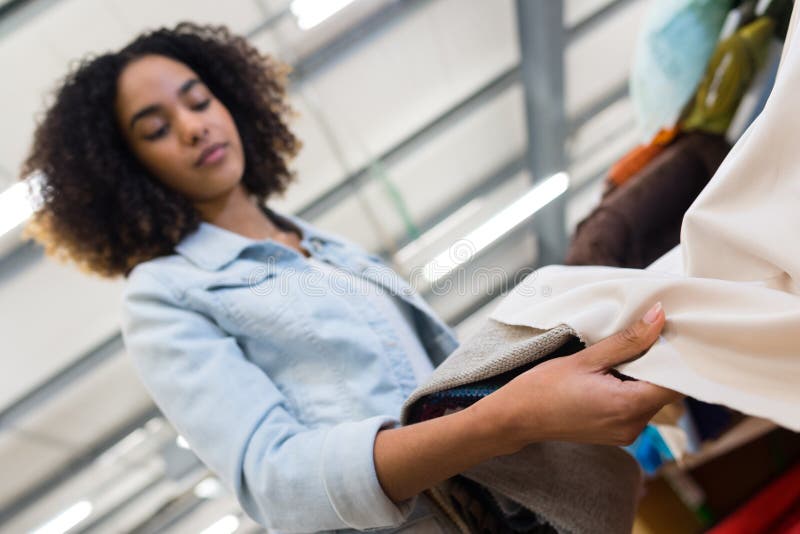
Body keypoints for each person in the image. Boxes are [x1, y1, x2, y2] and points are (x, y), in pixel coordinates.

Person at [21, 23, 680, 533]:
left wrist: (565, 438)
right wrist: (505, 422)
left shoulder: (326, 248)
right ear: (128, 170)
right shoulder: (164, 294)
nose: (194, 128)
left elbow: (449, 384)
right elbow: (279, 483)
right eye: (157, 128)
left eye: (198, 99)